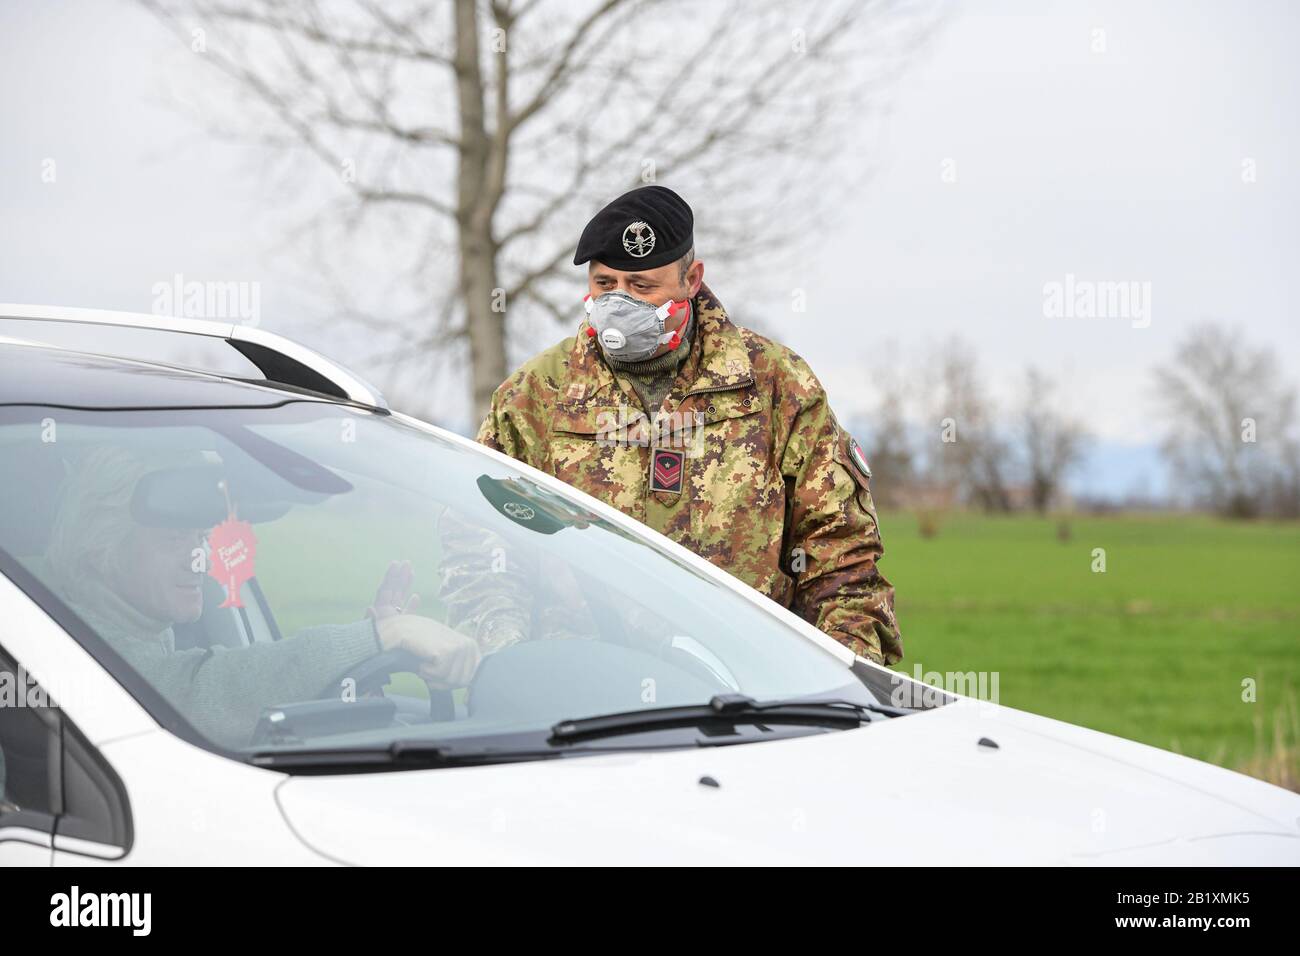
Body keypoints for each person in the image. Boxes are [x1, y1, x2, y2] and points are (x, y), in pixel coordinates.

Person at [469, 185, 903, 666]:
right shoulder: (537, 395)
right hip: (577, 689)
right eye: (604, 284)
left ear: (691, 279)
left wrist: (845, 685)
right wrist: (507, 663)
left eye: (641, 287)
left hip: (749, 690)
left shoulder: (775, 385)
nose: (619, 302)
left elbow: (842, 556)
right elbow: (482, 544)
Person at [36, 444, 479, 747]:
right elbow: (199, 691)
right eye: (173, 540)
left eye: (203, 537)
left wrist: (358, 664)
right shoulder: (65, 652)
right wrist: (380, 637)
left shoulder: (134, 637)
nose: (200, 561)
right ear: (100, 548)